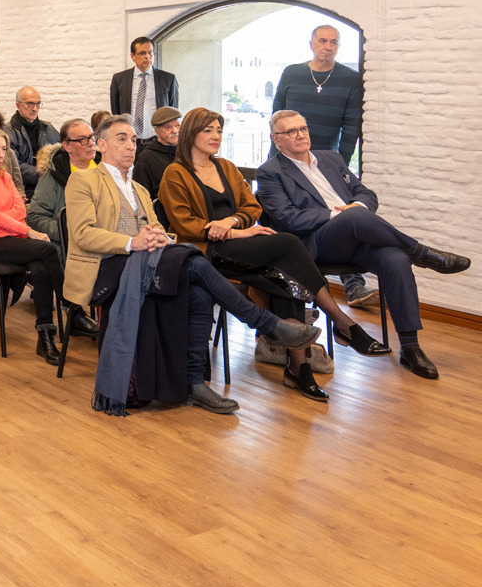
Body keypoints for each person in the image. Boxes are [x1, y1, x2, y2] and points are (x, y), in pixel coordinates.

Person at [63, 117, 321, 414]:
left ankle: (195, 383)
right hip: (108, 267)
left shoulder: (140, 190)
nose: (131, 146)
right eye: (122, 139)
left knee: (199, 290)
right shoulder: (83, 180)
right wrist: (133, 242)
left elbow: (159, 228)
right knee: (192, 259)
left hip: (145, 264)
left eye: (134, 140)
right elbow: (82, 235)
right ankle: (266, 324)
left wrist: (157, 237)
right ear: (102, 145)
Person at [157, 108, 387, 401]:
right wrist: (236, 232)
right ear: (191, 133)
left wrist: (232, 222)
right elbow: (183, 223)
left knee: (286, 280)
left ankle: (299, 370)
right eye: (208, 131)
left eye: (218, 130)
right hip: (206, 253)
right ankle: (343, 323)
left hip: (240, 247)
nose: (216, 136)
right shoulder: (174, 173)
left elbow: (252, 207)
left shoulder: (226, 167)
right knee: (288, 244)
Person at [256, 110, 471, 380]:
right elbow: (289, 218)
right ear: (277, 139)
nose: (300, 135)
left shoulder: (331, 158)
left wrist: (356, 206)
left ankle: (410, 348)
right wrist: (343, 214)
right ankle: (423, 254)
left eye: (303, 128)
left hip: (354, 236)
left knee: (395, 259)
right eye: (291, 132)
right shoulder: (270, 172)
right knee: (355, 217)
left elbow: (366, 194)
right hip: (314, 244)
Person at [270, 24, 372, 306]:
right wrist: (273, 160)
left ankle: (353, 286)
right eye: (323, 41)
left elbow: (351, 126)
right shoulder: (292, 72)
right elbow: (276, 116)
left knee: (339, 215)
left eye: (334, 43)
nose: (328, 46)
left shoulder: (350, 79)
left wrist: (340, 164)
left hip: (326, 163)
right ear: (312, 44)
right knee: (295, 223)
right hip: (287, 161)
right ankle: (298, 293)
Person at [0, 126, 65, 365]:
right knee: (47, 249)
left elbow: (19, 209)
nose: (0, 154)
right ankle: (69, 300)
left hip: (12, 239)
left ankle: (45, 335)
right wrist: (25, 230)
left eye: (4, 149)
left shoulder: (5, 178)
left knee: (40, 267)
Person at [27, 119, 102, 336]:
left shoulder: (105, 170)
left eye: (91, 137)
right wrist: (66, 230)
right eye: (82, 140)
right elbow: (35, 216)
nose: (90, 144)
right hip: (69, 242)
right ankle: (74, 310)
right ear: (67, 145)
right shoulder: (54, 176)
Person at [109, 36, 180, 147]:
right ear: (132, 56)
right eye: (142, 53)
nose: (147, 57)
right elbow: (116, 112)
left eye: (150, 53)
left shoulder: (168, 79)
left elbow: (172, 112)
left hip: (158, 140)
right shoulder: (119, 79)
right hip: (129, 141)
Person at [132, 106, 181, 226]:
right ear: (156, 130)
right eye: (168, 128)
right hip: (164, 218)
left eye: (178, 126)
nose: (175, 131)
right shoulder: (147, 158)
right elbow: (140, 196)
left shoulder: (187, 152)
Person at [6, 86, 60, 192]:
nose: (35, 108)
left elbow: (62, 152)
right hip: (24, 188)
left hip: (51, 185)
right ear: (18, 105)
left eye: (38, 104)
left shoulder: (49, 128)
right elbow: (14, 165)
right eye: (30, 104)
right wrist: (44, 175)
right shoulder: (8, 132)